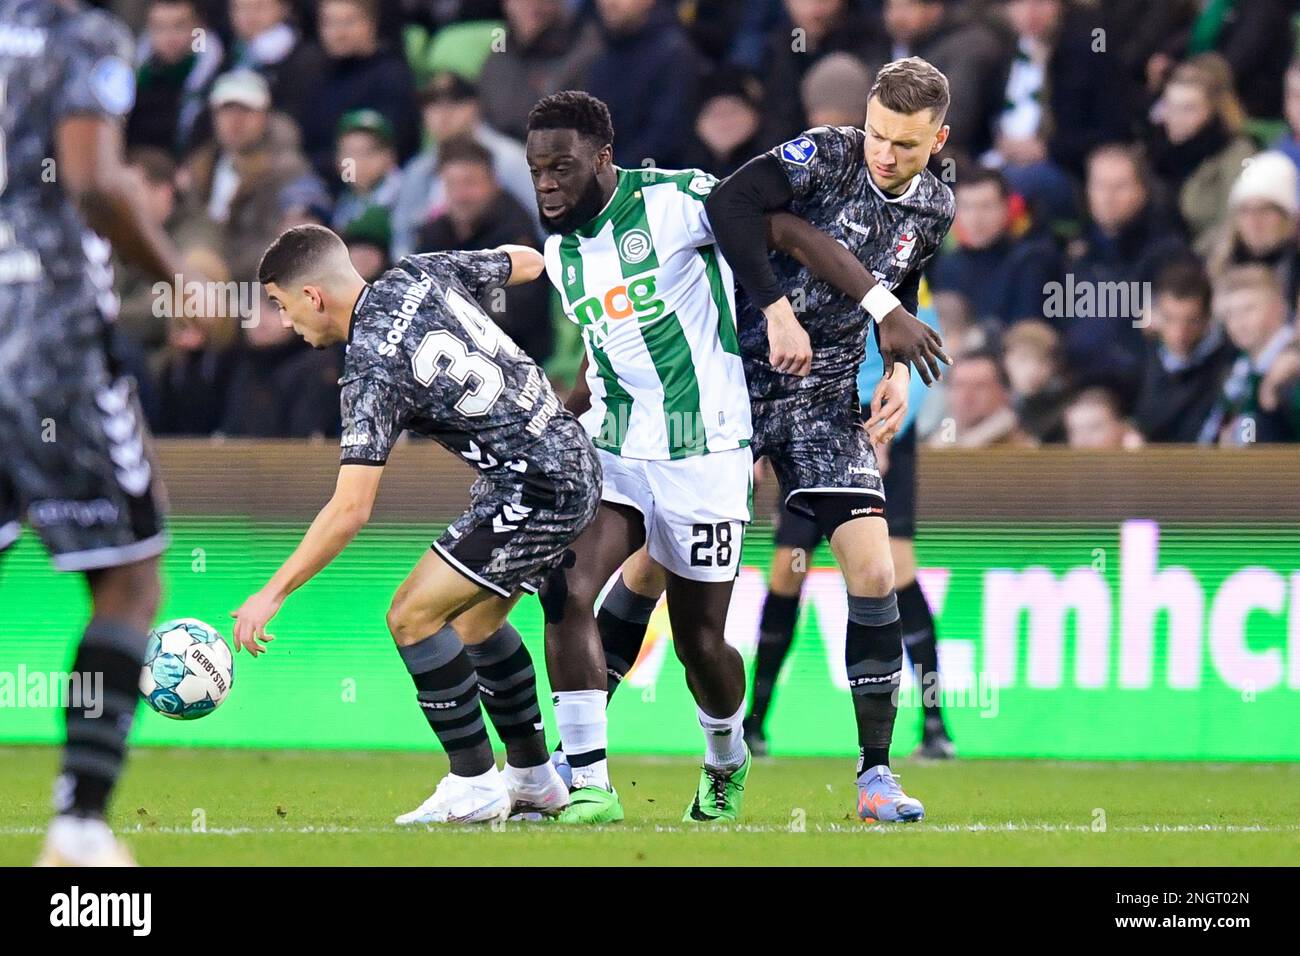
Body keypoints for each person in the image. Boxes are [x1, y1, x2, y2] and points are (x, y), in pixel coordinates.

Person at [523, 89, 918, 823]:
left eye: (562, 167)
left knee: (700, 642)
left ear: (602, 160)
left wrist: (883, 310)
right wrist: (544, 424)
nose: (546, 182)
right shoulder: (558, 255)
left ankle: (726, 754)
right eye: (536, 168)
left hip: (706, 448)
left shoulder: (677, 201)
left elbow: (791, 234)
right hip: (618, 447)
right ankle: (584, 782)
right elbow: (598, 358)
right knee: (566, 589)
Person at [231, 225, 601, 823]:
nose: (286, 320)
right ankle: (533, 779)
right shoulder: (419, 270)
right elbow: (529, 260)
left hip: (537, 486)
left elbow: (350, 509)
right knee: (478, 624)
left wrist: (271, 593)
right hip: (564, 453)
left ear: (313, 296)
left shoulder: (370, 365)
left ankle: (475, 782)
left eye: (281, 304)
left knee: (411, 615)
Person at [703, 57, 956, 822]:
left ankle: (876, 778)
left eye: (906, 146)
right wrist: (776, 307)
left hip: (823, 400)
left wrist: (897, 368)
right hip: (734, 382)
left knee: (875, 573)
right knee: (652, 567)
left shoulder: (938, 207)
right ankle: (568, 765)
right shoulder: (825, 153)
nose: (885, 154)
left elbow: (903, 279)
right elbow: (731, 204)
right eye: (878, 134)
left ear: (937, 139)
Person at [1, 0, 209, 865]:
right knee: (129, 578)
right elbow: (94, 183)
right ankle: (80, 824)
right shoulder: (87, 40)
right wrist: (175, 273)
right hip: (48, 341)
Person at [1133, 258, 1236, 443]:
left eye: (1191, 321)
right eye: (1169, 319)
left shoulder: (1231, 362)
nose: (1179, 333)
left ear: (1207, 319)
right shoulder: (1142, 357)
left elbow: (1249, 426)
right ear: (1155, 315)